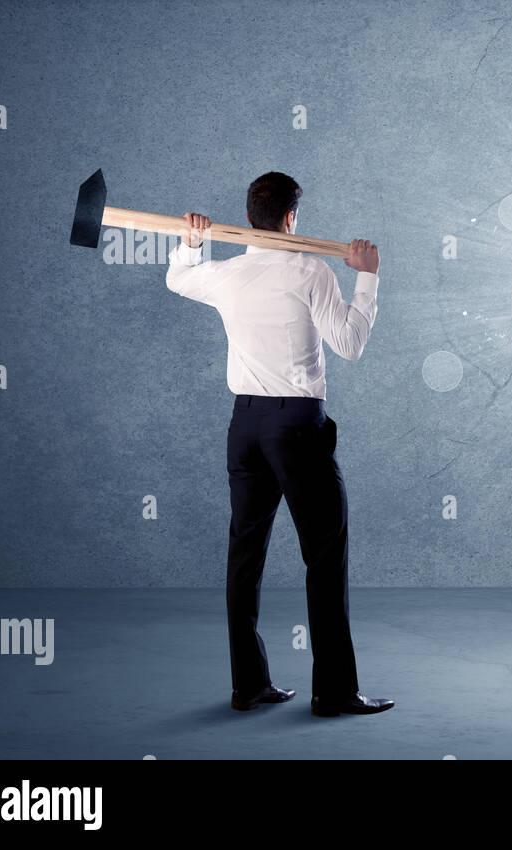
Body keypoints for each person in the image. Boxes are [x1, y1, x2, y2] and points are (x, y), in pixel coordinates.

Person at [166, 171, 392, 717]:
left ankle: (249, 686)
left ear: (248, 218)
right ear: (292, 217)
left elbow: (178, 280)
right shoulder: (310, 270)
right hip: (296, 426)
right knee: (324, 556)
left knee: (244, 555)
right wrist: (367, 278)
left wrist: (191, 244)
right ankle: (334, 693)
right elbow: (351, 344)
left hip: (244, 427)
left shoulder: (226, 274)